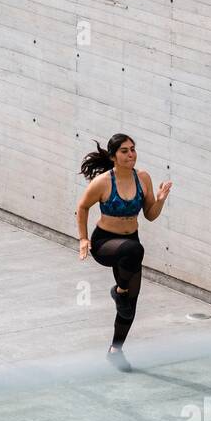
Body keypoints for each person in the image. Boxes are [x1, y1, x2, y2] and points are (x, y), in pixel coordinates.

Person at [76, 133, 172, 369]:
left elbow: (149, 215)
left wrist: (159, 200)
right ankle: (119, 290)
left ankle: (115, 350)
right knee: (134, 250)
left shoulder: (143, 178)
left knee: (130, 305)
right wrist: (83, 239)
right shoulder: (103, 182)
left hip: (131, 244)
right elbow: (82, 206)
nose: (131, 154)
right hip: (105, 243)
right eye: (124, 151)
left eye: (133, 149)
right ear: (113, 156)